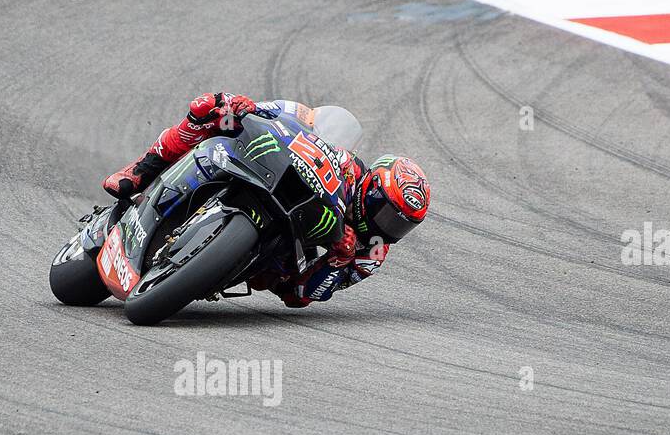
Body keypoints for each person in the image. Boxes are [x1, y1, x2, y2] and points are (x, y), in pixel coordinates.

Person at [103, 92, 430, 307]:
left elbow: (302, 296)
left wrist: (337, 260)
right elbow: (289, 117)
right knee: (212, 112)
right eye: (387, 214)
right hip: (268, 175)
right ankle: (143, 169)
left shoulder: (370, 253)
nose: (388, 228)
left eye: (400, 225)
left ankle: (210, 263)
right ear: (371, 189)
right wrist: (247, 107)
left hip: (282, 253)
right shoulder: (347, 165)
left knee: (279, 281)